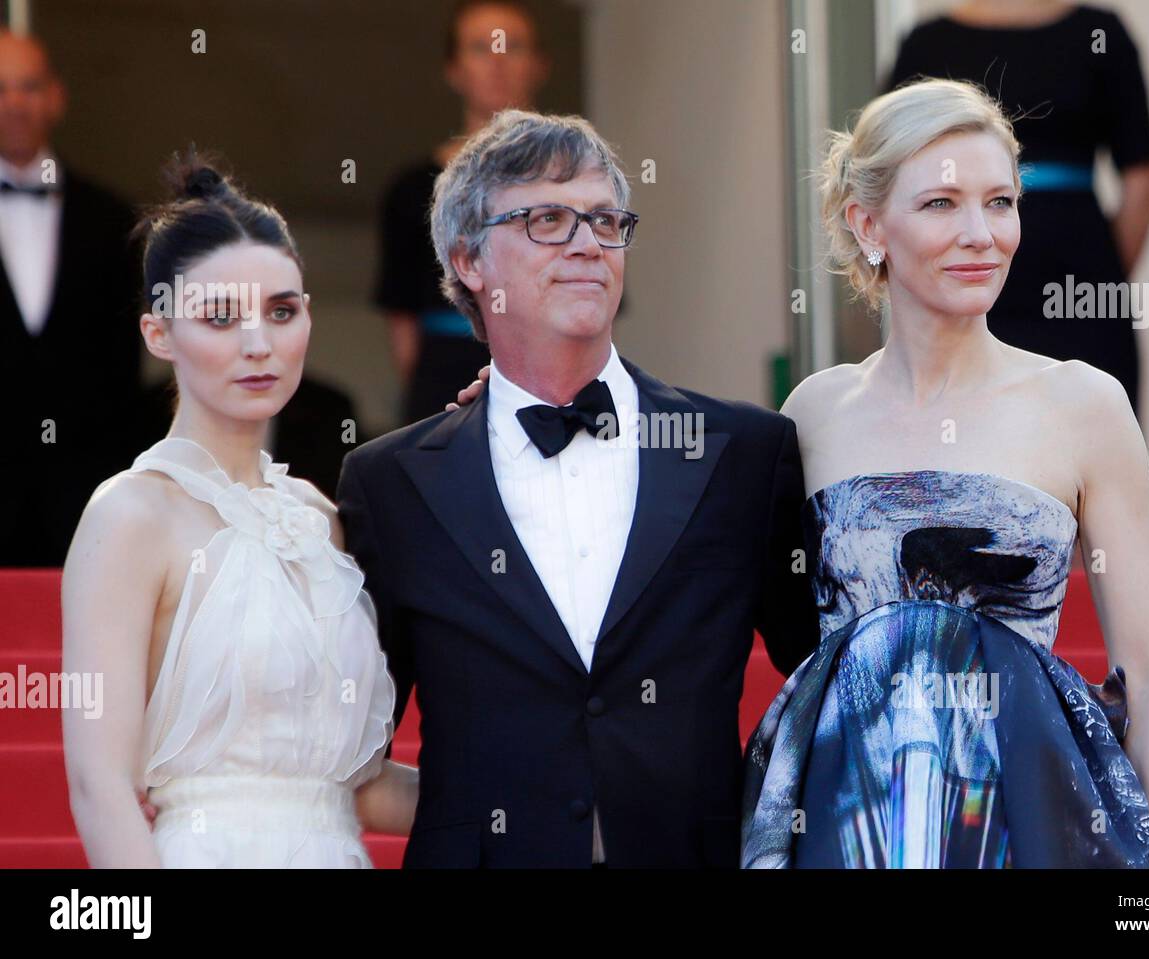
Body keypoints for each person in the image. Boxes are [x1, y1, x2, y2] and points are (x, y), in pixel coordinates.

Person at [741, 79, 1149, 868]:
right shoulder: (813, 413)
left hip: (1023, 818)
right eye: (942, 205)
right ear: (868, 225)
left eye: (1000, 202)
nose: (981, 234)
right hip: (848, 822)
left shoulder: (1083, 403)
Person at [337, 110, 820, 868]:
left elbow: (826, 687)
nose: (588, 243)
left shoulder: (745, 454)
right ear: (469, 258)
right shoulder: (392, 481)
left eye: (604, 220)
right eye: (548, 220)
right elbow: (355, 742)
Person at [61, 152, 414, 867]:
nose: (259, 344)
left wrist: (544, 807)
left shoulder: (321, 518)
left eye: (281, 311)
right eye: (219, 317)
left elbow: (356, 787)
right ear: (159, 334)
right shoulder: (129, 513)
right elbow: (97, 782)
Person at [887, 0, 1149, 414]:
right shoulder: (926, 43)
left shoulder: (1100, 33)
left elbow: (1141, 182)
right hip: (965, 285)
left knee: (1094, 429)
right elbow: (890, 172)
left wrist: (1101, 283)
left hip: (1079, 288)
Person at [0, 30, 140, 566]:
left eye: (29, 86)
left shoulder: (112, 218)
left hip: (83, 489)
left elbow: (124, 361)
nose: (15, 103)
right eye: (2, 88)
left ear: (56, 97)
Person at [375, 0, 548, 425]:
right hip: (443, 383)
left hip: (546, 368)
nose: (497, 62)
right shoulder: (413, 188)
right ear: (453, 70)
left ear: (539, 65)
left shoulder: (573, 185)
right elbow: (402, 320)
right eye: (479, 48)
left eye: (513, 46)